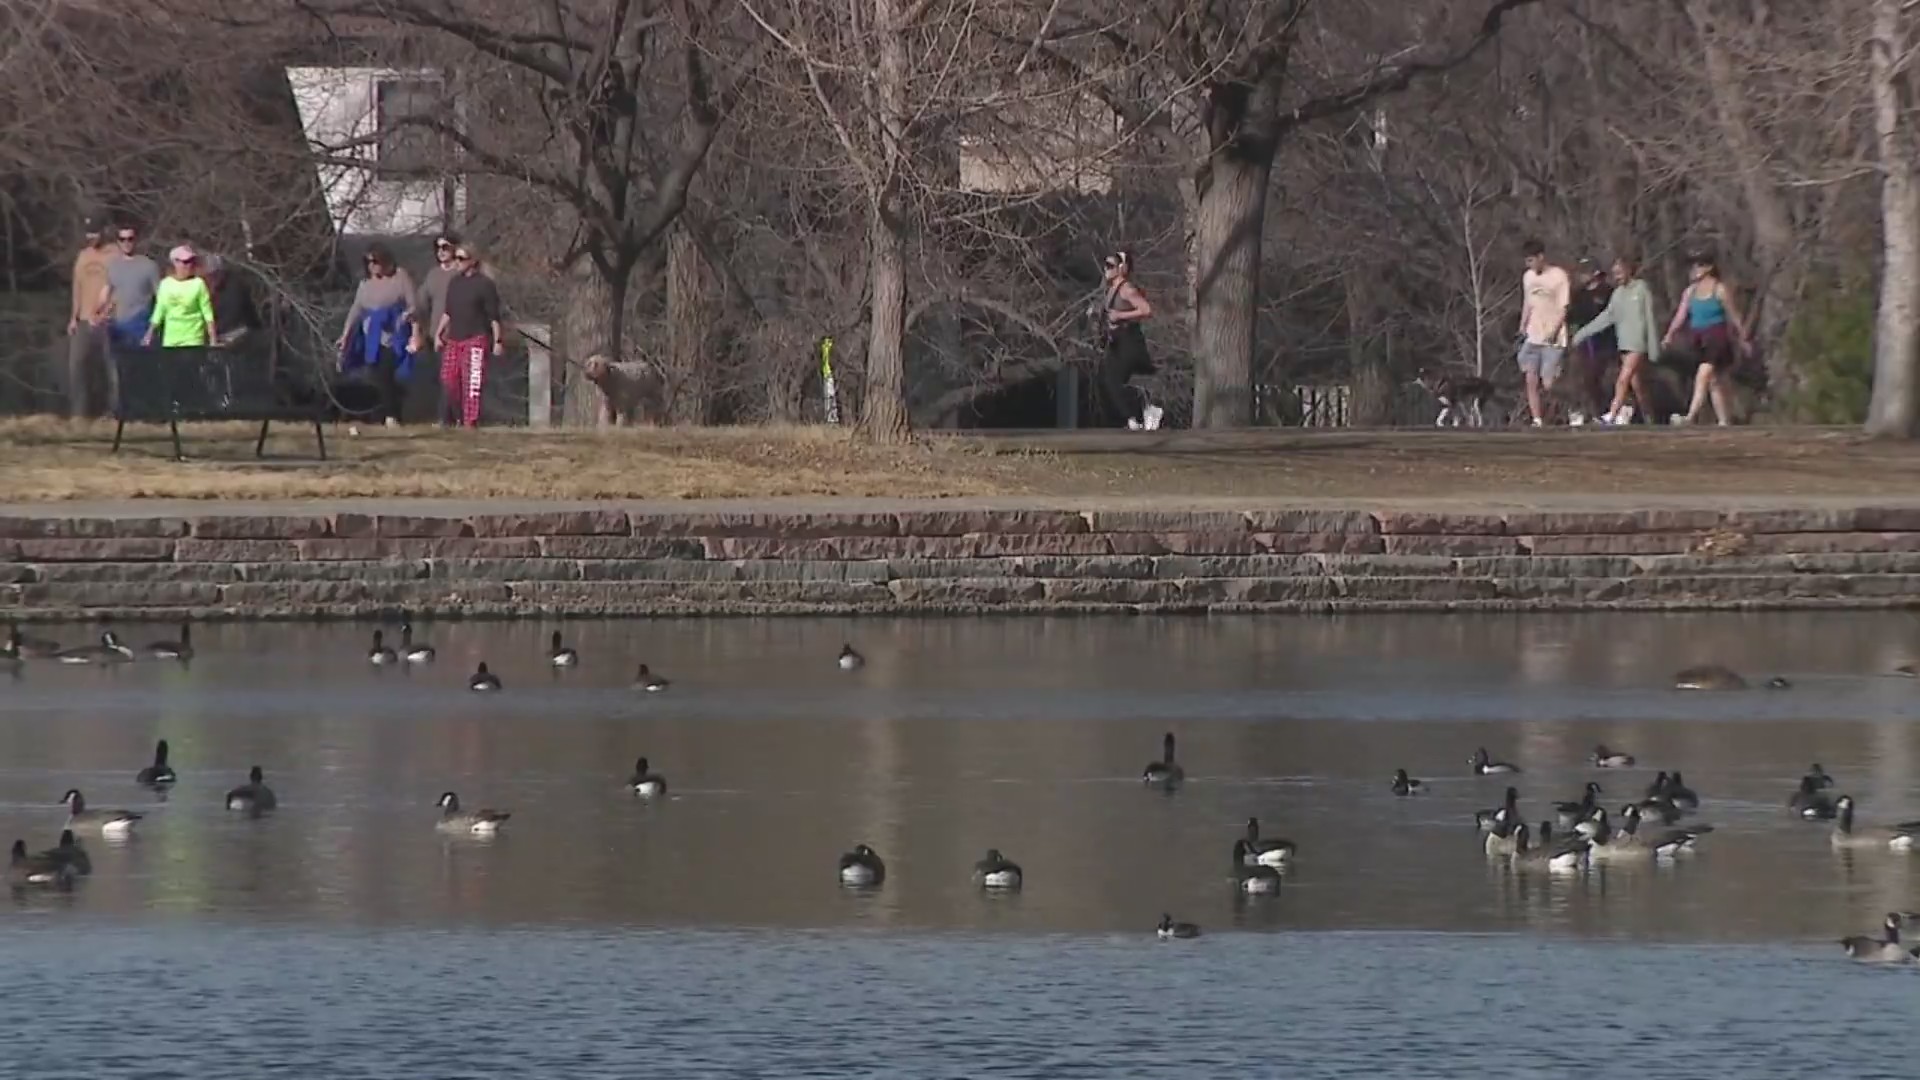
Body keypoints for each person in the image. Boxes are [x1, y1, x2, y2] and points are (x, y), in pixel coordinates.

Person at [1661, 251, 1753, 426]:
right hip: (1698, 339)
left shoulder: (1719, 289)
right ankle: (1724, 420)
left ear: (1709, 267)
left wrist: (1744, 339)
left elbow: (1734, 316)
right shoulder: (1690, 292)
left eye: (1699, 265)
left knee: (1703, 374)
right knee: (1715, 381)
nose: (1695, 269)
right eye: (1694, 265)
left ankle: (1690, 416)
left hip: (1717, 338)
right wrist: (1670, 334)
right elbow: (1680, 316)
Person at [1570, 255, 1661, 426]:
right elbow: (1606, 317)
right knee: (1637, 385)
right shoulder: (1618, 294)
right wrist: (1582, 334)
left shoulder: (1641, 289)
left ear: (1628, 270)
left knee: (1622, 379)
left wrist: (1653, 347)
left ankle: (1611, 415)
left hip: (1638, 343)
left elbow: (1650, 318)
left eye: (1619, 272)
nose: (1617, 276)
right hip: (1624, 344)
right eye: (1615, 273)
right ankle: (1650, 417)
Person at [338, 244, 419, 428]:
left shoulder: (400, 277)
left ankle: (391, 415)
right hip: (371, 337)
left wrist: (411, 322)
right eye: (368, 262)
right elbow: (356, 310)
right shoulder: (365, 283)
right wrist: (345, 335)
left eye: (375, 261)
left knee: (387, 373)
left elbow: (413, 304)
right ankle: (385, 414)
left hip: (394, 335)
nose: (372, 266)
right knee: (376, 376)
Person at [434, 244, 503, 428]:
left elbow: (494, 316)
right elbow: (447, 312)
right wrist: (438, 333)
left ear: (472, 261)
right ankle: (458, 415)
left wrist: (498, 340)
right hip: (454, 339)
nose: (457, 262)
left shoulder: (485, 285)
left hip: (476, 339)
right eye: (455, 258)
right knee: (449, 380)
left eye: (461, 259)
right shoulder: (455, 283)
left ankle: (470, 422)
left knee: (472, 383)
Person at [1094, 250, 1160, 431]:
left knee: (1114, 380)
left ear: (1122, 268)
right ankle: (1134, 418)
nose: (1105, 269)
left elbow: (1146, 310)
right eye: (1105, 265)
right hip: (1116, 340)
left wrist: (1121, 315)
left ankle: (1143, 408)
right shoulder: (1111, 289)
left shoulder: (1127, 289)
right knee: (1108, 380)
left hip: (1129, 340)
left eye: (1110, 266)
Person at [65, 215, 117, 418]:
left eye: (94, 234)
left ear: (103, 232)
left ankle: (115, 413)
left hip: (108, 320)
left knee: (111, 368)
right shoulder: (83, 256)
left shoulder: (114, 255)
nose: (91, 238)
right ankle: (80, 414)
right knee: (77, 367)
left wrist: (107, 312)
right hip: (84, 319)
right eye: (88, 234)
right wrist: (73, 317)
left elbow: (118, 288)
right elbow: (77, 287)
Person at [1515, 239, 1570, 427]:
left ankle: (1567, 411)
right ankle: (1537, 419)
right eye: (1526, 261)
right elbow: (1527, 303)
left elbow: (1564, 307)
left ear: (1541, 257)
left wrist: (1554, 330)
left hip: (1553, 337)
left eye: (1531, 260)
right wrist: (1522, 325)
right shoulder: (1528, 277)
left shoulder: (1559, 276)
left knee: (1549, 383)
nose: (1529, 265)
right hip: (1533, 335)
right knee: (1530, 378)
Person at [1565, 257, 1614, 426]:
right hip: (1584, 342)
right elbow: (1572, 317)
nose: (1581, 276)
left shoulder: (1608, 291)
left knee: (1601, 377)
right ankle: (1587, 411)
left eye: (1585, 272)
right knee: (1585, 378)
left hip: (1605, 341)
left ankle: (1607, 410)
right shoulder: (1579, 294)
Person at [97, 223, 161, 351]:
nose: (126, 243)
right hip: (117, 325)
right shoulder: (113, 266)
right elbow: (106, 292)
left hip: (140, 323)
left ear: (136, 240)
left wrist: (152, 329)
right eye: (122, 239)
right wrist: (97, 313)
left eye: (130, 239)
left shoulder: (149, 265)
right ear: (118, 242)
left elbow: (161, 298)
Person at [142, 246, 216, 348]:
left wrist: (213, 339)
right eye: (185, 262)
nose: (188, 265)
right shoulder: (165, 284)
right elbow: (159, 311)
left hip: (193, 340)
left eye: (191, 261)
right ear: (175, 263)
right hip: (171, 340)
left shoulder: (198, 284)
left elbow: (208, 314)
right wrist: (149, 335)